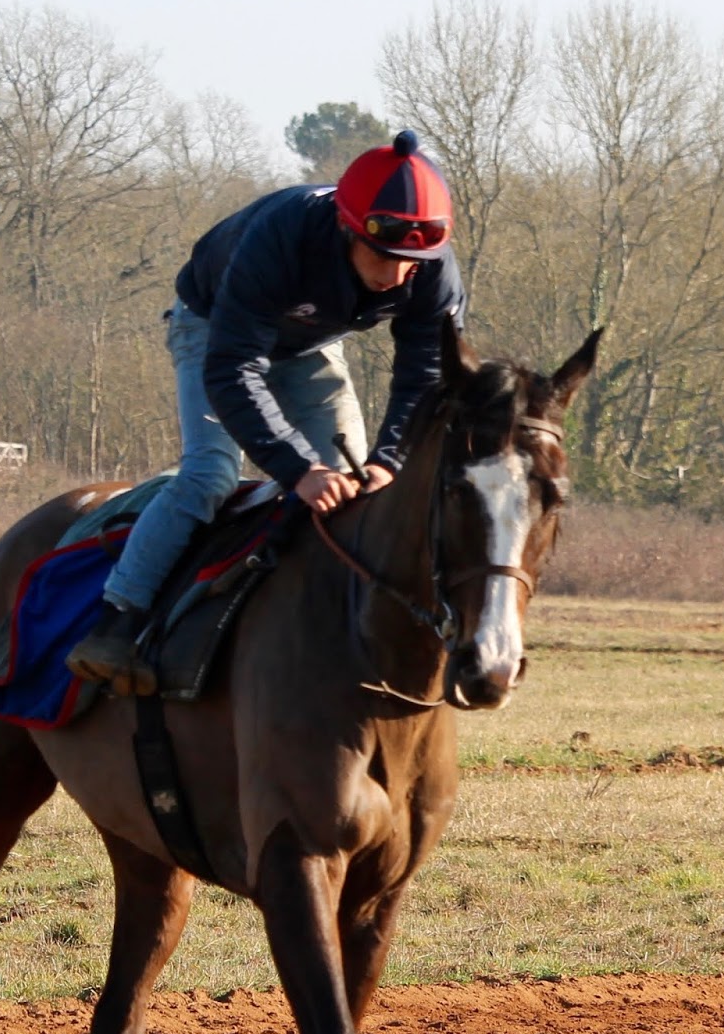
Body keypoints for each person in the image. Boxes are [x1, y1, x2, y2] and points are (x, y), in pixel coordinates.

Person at [66, 129, 463, 696]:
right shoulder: (283, 234)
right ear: (347, 229)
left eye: (412, 262)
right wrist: (298, 468)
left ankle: (320, 629)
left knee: (354, 487)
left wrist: (391, 457)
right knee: (210, 475)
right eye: (383, 254)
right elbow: (233, 369)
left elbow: (425, 375)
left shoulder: (431, 268)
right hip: (213, 328)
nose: (397, 275)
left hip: (308, 344)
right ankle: (119, 620)